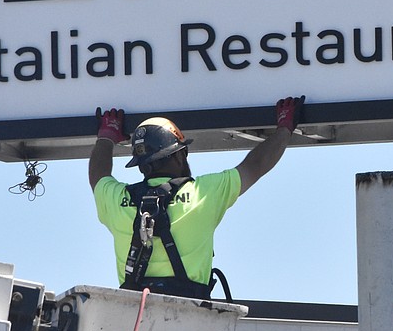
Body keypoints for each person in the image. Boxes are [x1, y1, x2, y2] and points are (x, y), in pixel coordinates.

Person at [89, 96, 304, 300]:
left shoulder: (117, 200)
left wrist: (107, 135)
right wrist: (285, 127)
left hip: (133, 318)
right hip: (191, 322)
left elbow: (98, 176)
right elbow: (255, 165)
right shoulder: (204, 192)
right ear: (179, 154)